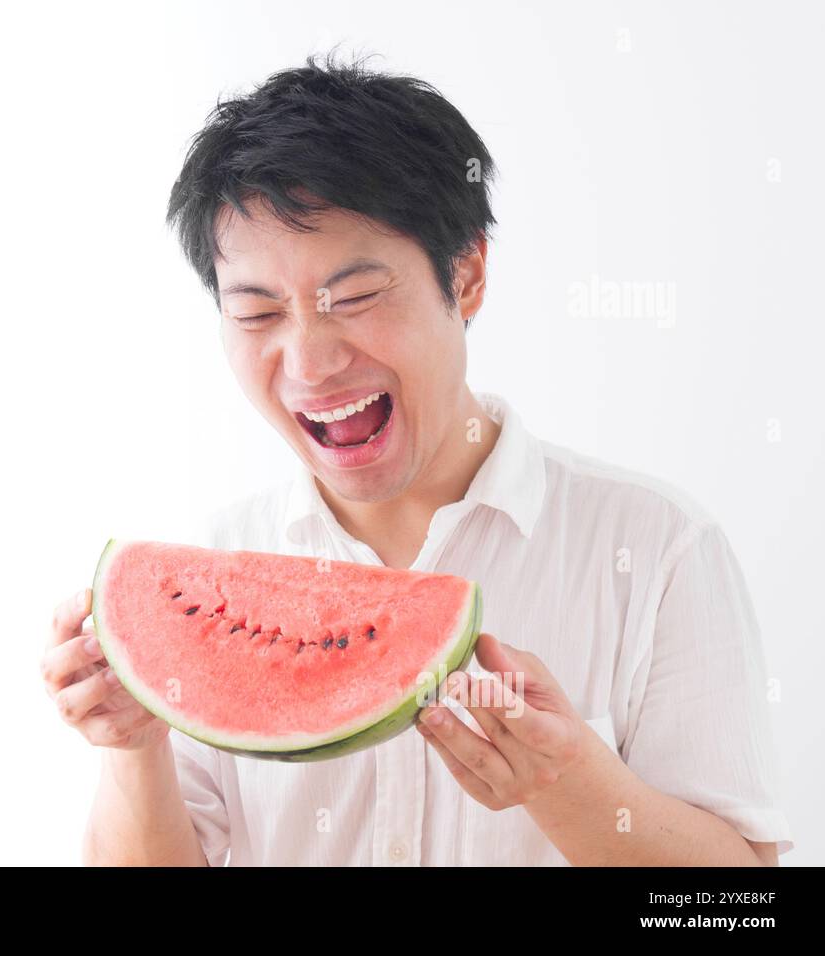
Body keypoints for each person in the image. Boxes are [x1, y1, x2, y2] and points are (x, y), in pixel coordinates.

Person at [41, 51, 792, 866]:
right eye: (257, 312)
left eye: (355, 298)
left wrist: (571, 780)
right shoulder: (216, 566)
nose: (309, 364)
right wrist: (133, 746)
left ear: (465, 277)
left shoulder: (657, 550)